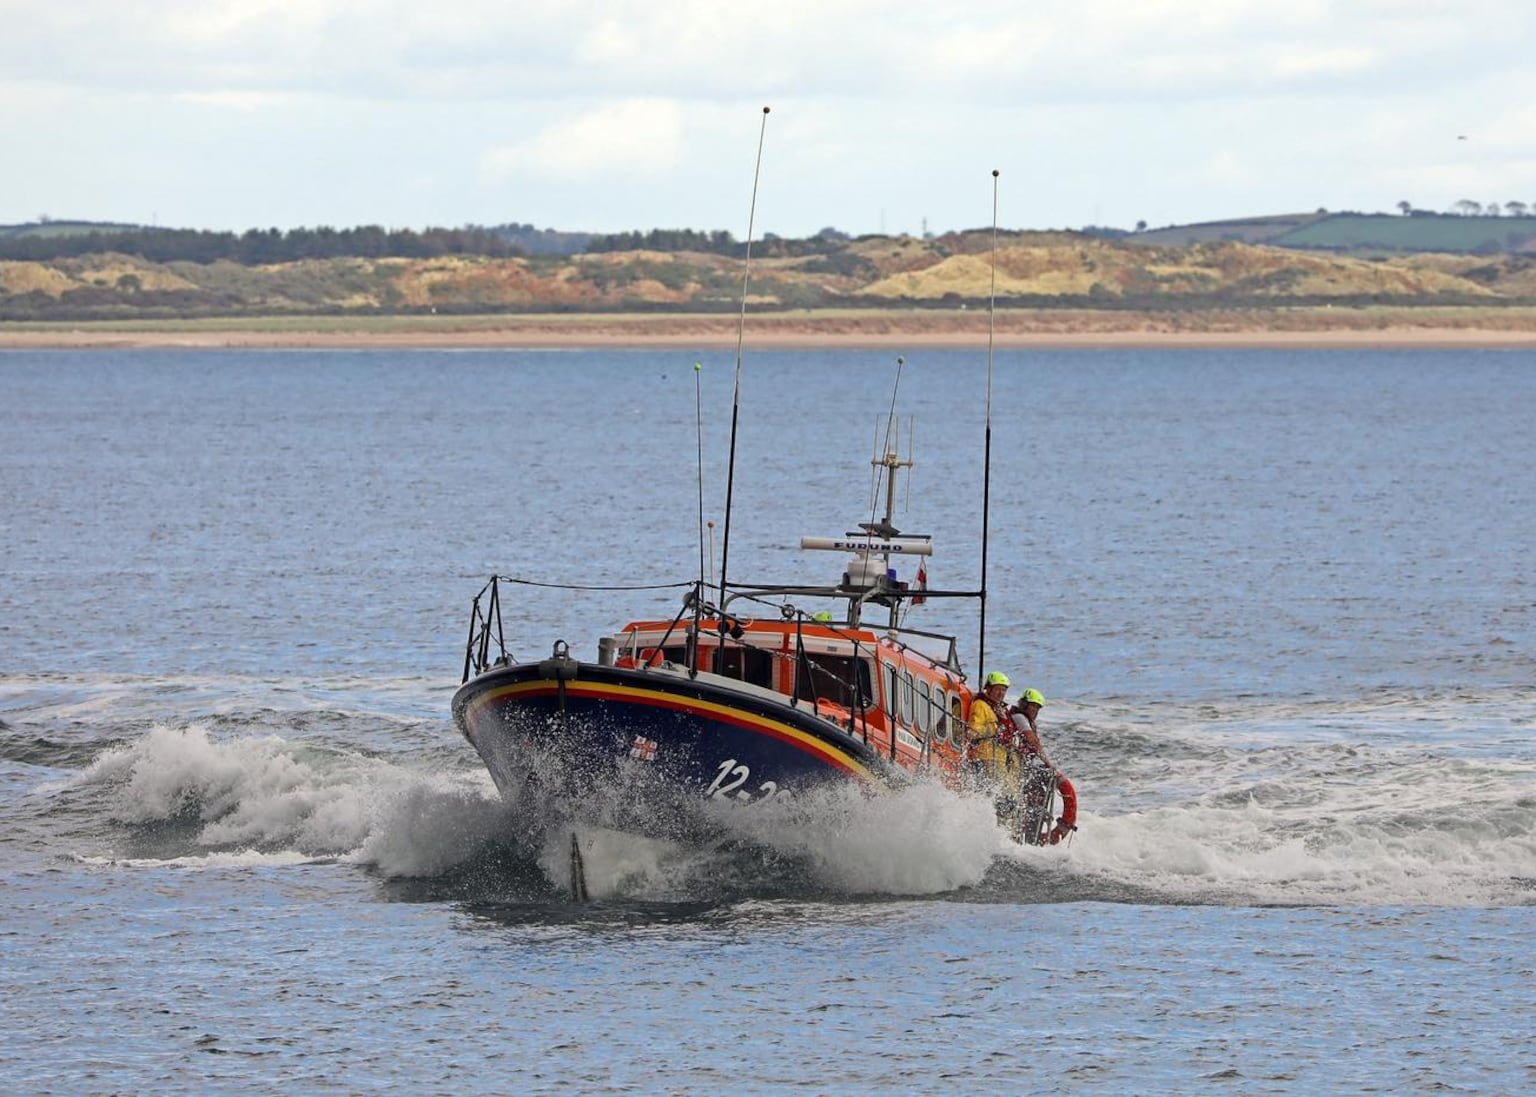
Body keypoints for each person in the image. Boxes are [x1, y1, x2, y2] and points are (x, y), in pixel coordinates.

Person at [965, 670, 1011, 782]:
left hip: (997, 758)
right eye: (998, 689)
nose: (1001, 693)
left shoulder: (998, 709)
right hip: (984, 758)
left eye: (1004, 690)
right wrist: (995, 729)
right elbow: (972, 732)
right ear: (989, 689)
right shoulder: (980, 705)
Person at [1008, 688, 1052, 768]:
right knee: (1049, 773)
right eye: (1033, 706)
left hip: (1021, 761)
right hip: (1013, 761)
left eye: (1037, 708)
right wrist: (1049, 764)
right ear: (1024, 704)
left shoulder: (1027, 720)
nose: (1035, 710)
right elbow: (1033, 741)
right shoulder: (1019, 717)